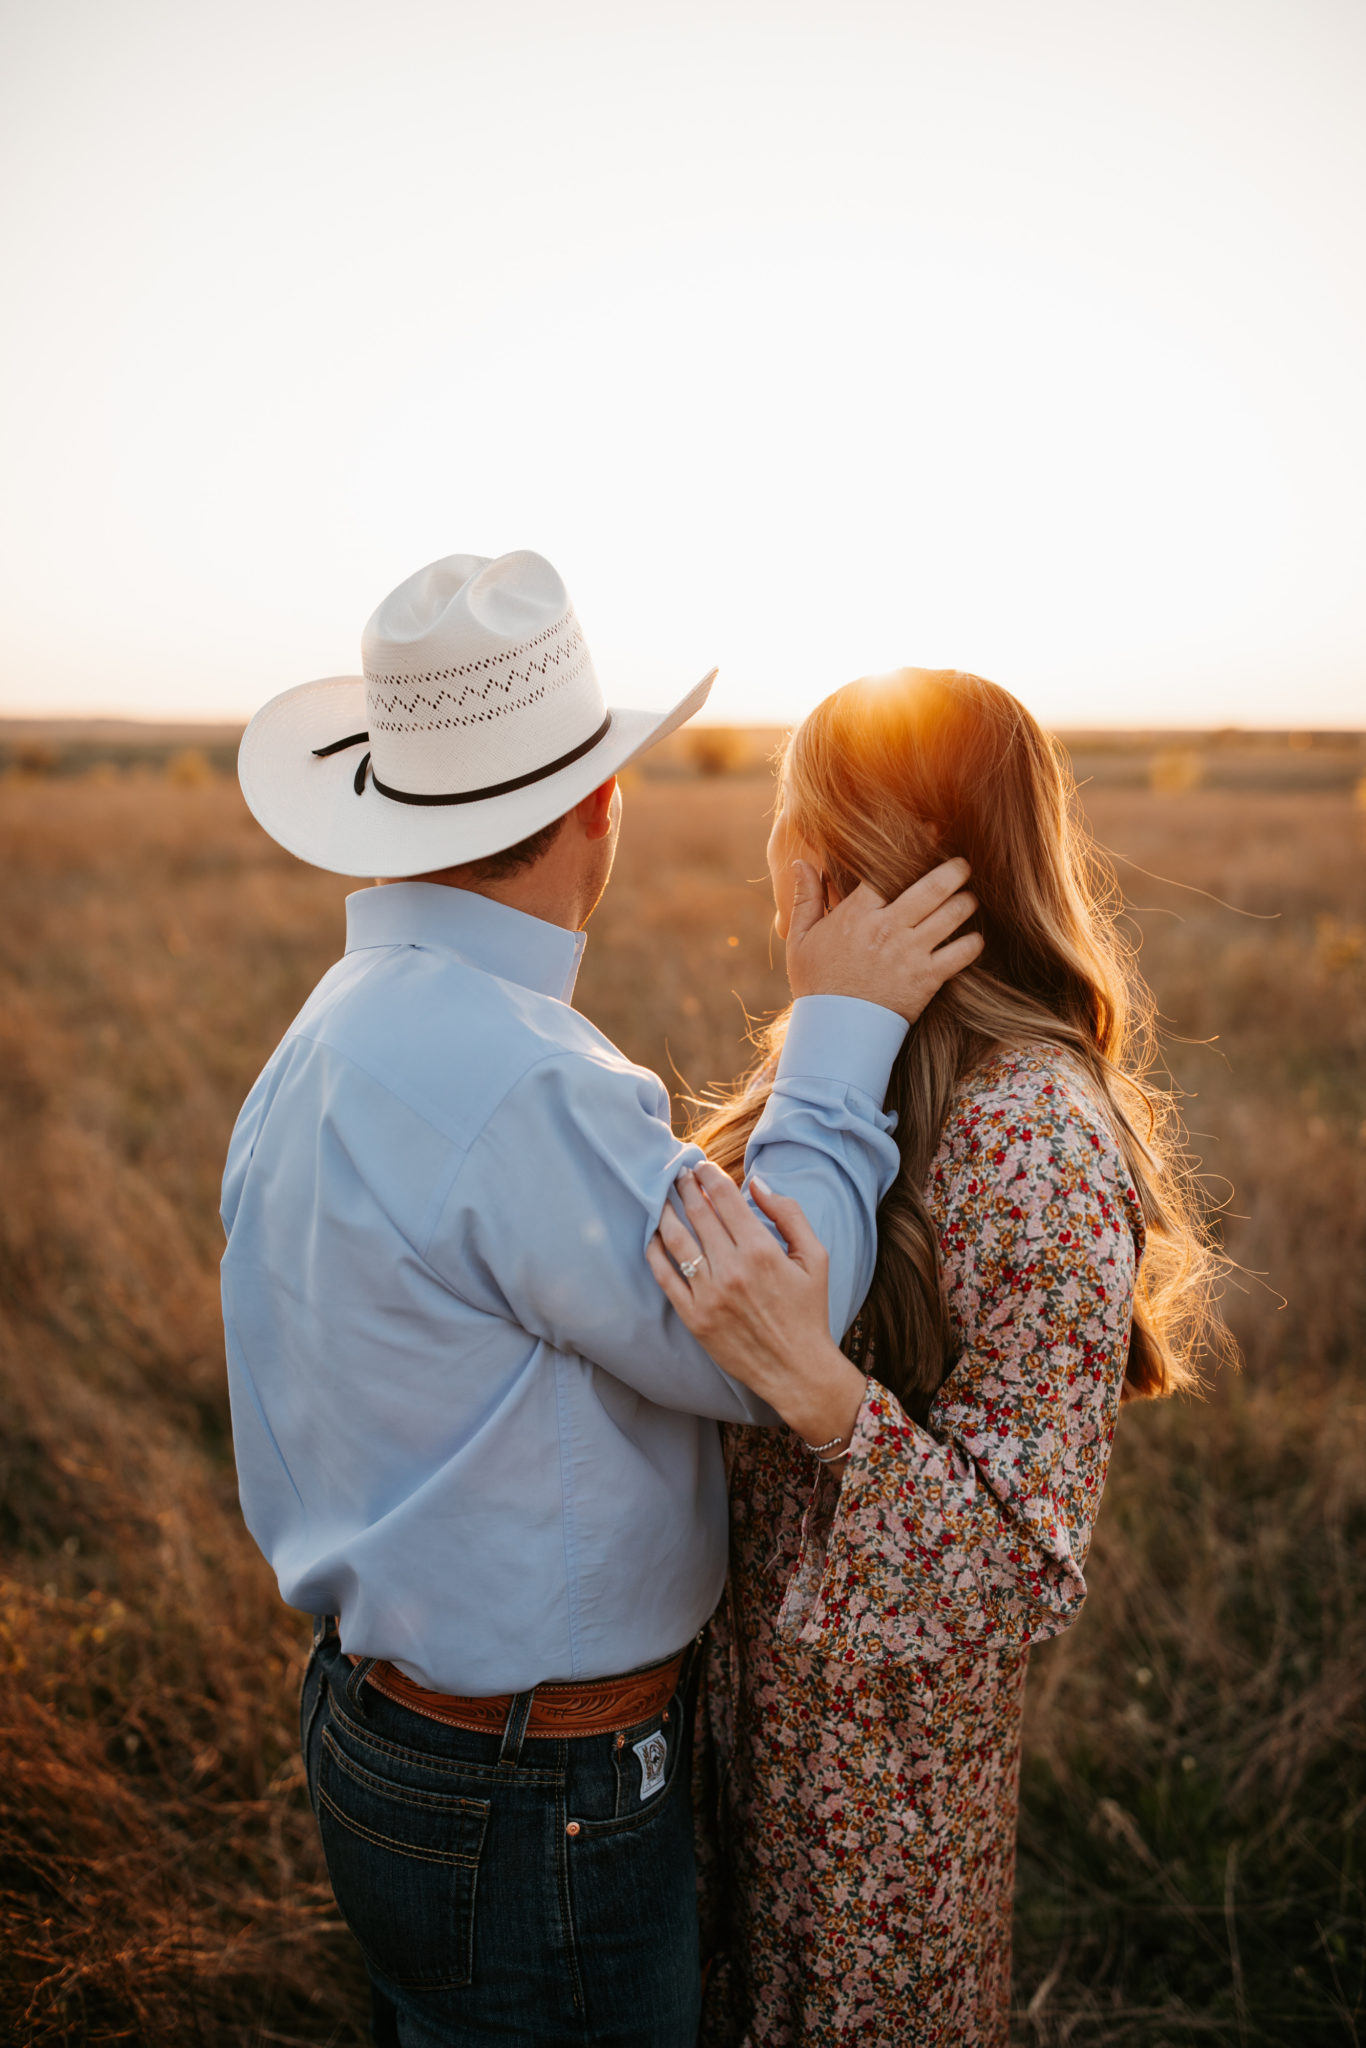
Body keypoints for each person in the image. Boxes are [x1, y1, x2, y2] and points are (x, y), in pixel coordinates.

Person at [219, 555, 982, 2048]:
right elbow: (775, 1334)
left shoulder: (330, 1030)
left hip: (387, 1735)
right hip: (529, 1791)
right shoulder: (521, 1081)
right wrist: (843, 1029)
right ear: (599, 804)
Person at [647, 667, 1227, 2047]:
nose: (774, 853)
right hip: (738, 1735)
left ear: (858, 853)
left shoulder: (1030, 1131)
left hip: (878, 1812)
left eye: (797, 813)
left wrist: (819, 1392)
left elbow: (1020, 1565)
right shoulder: (842, 1058)